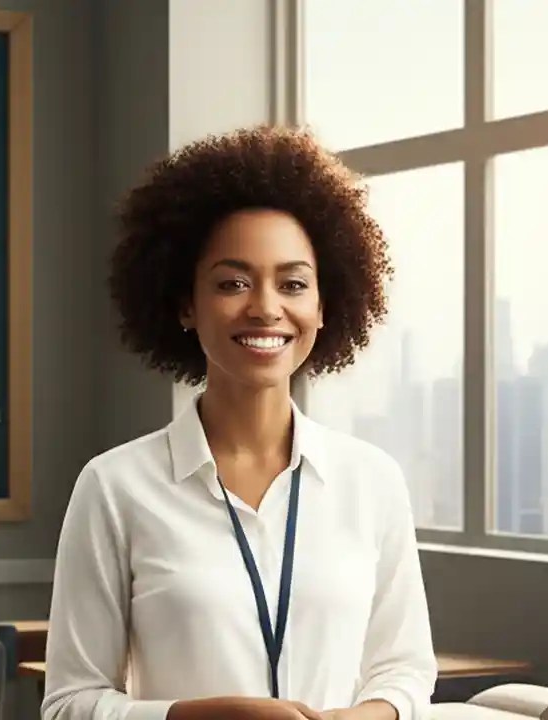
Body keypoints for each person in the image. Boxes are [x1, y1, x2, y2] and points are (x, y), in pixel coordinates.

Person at [41, 125, 437, 720]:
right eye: (233, 283)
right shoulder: (114, 486)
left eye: (294, 284)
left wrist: (364, 717)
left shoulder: (373, 480)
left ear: (325, 306)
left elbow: (404, 670)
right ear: (183, 303)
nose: (266, 307)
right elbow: (68, 703)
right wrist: (195, 717)